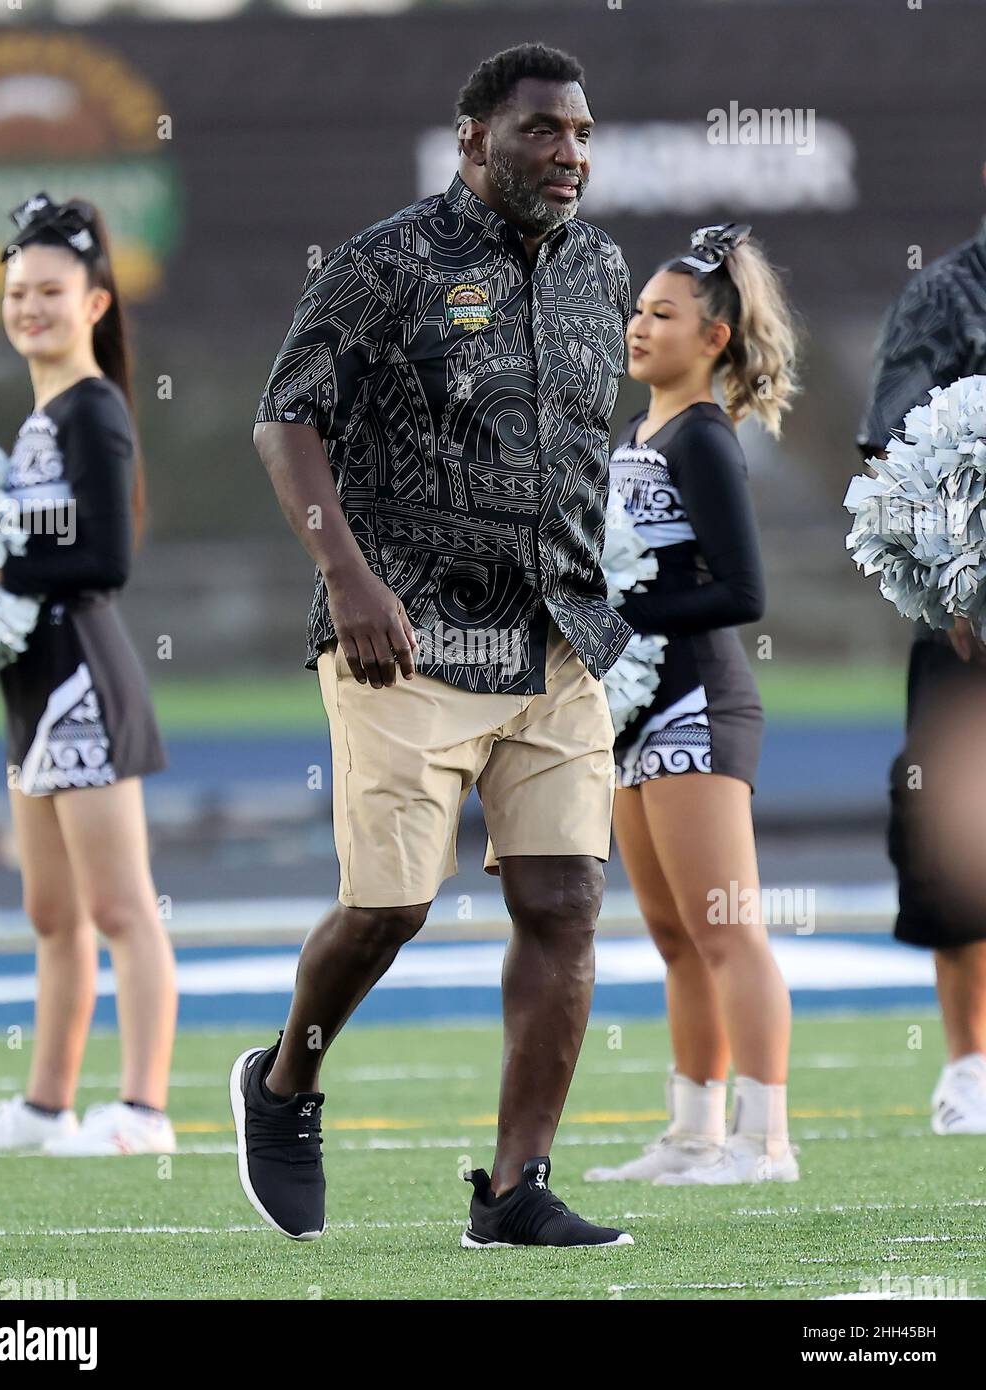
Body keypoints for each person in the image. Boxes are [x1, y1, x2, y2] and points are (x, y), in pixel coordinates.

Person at [232, 43, 638, 1248]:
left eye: (580, 133)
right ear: (474, 138)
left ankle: (514, 1190)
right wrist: (345, 576)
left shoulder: (602, 269)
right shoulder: (385, 262)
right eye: (540, 132)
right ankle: (282, 1084)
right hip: (401, 631)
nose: (567, 154)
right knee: (389, 907)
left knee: (563, 901)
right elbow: (284, 421)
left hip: (557, 638)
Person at [0, 193, 177, 1158]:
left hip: (82, 680)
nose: (29, 306)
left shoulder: (93, 409)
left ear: (93, 303)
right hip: (30, 687)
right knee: (51, 913)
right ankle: (46, 1109)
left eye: (51, 290)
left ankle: (142, 1113)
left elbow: (106, 563)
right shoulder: (41, 416)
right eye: (16, 292)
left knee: (123, 906)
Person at [584, 224, 801, 1186]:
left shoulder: (704, 436)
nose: (639, 325)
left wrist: (622, 608)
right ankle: (693, 1134)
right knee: (674, 937)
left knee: (725, 926)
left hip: (695, 709)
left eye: (662, 314)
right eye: (637, 309)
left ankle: (765, 1143)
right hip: (636, 712)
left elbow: (742, 592)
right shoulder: (639, 434)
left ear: (713, 338)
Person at [856, 180, 986, 1134]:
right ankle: (971, 1067)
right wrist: (952, 590)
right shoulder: (946, 295)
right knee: (960, 838)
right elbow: (893, 449)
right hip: (969, 624)